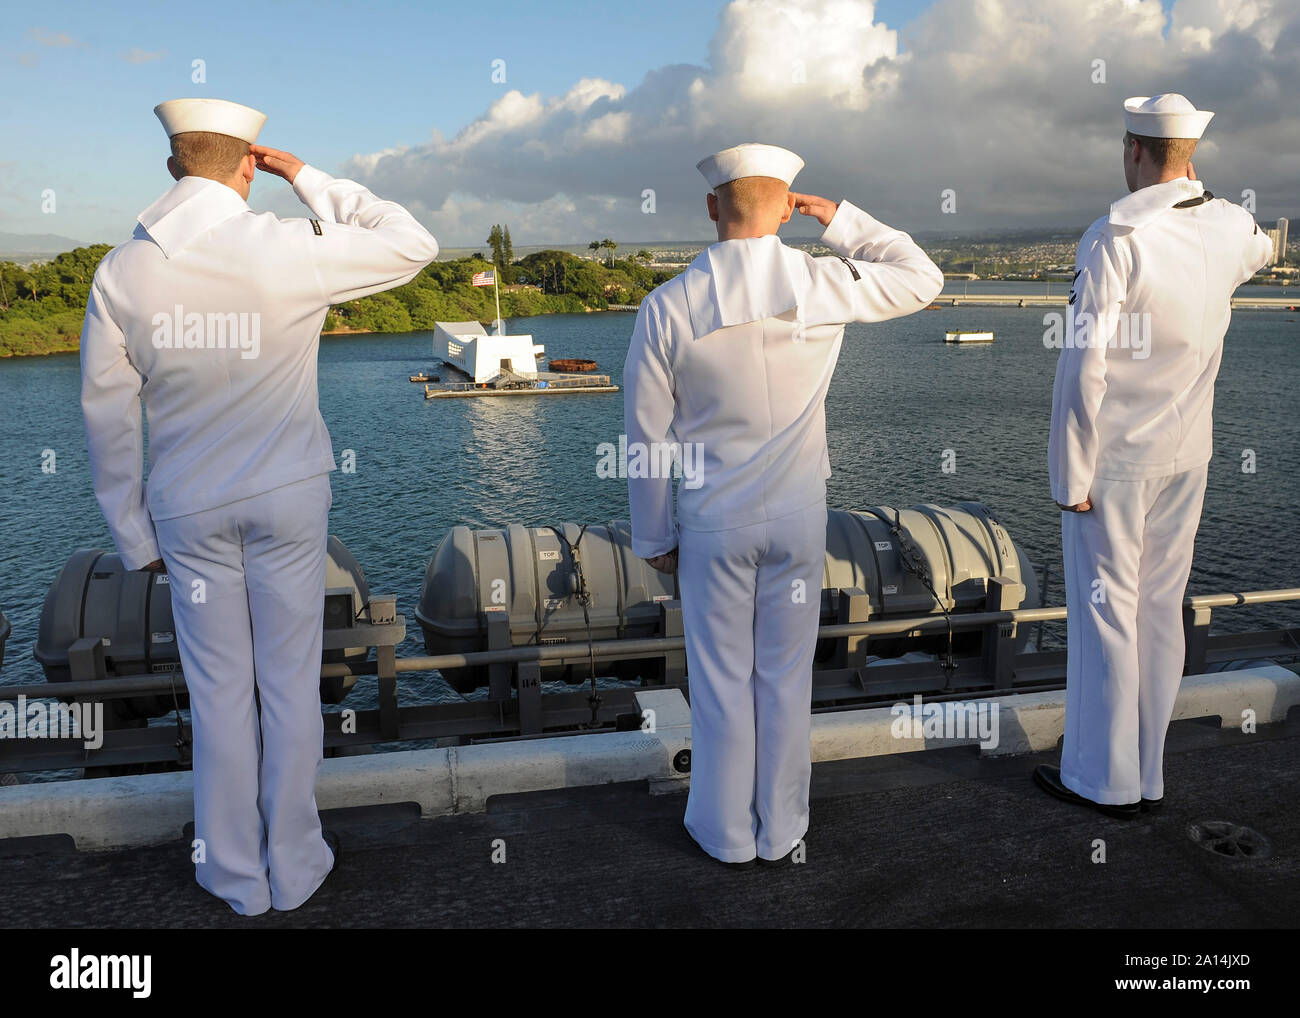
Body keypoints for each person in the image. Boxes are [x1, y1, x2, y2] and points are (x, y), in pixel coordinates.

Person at [79, 97, 439, 913]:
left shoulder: (122, 271)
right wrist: (305, 175)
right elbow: (412, 242)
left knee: (219, 697)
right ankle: (297, 859)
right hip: (287, 504)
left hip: (187, 513)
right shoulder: (289, 246)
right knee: (286, 686)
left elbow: (107, 416)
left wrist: (133, 535)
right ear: (248, 164)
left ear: (173, 166)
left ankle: (233, 874)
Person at [623, 143, 943, 867]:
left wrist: (654, 537)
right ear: (787, 206)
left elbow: (645, 436)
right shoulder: (822, 281)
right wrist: (842, 220)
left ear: (712, 205)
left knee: (721, 686)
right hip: (799, 521)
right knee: (785, 679)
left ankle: (726, 833)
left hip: (712, 525)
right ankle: (784, 829)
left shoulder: (667, 305)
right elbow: (923, 277)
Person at [1035, 94, 1273, 818]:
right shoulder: (1230, 227)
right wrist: (1199, 193)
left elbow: (1084, 367)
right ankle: (1148, 775)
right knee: (1160, 614)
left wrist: (1069, 475)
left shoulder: (1116, 237)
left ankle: (1102, 781)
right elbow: (1264, 246)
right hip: (1186, 457)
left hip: (1113, 469)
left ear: (1134, 151)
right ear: (1188, 154)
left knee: (1107, 616)